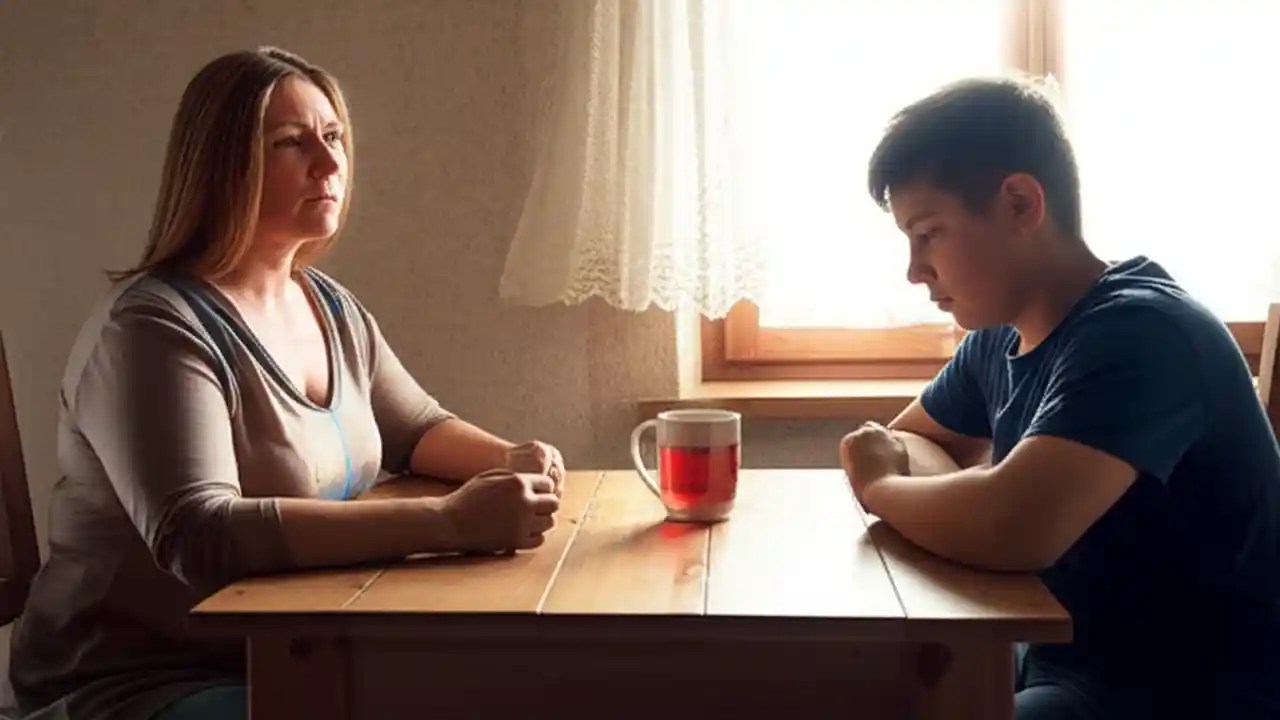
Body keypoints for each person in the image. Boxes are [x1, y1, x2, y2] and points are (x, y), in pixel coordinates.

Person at [8, 47, 566, 720]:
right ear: (223, 165)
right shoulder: (150, 329)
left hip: (296, 648)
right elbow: (200, 534)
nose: (329, 164)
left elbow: (415, 430)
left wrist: (511, 461)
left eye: (333, 136)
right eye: (292, 143)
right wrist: (449, 522)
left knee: (512, 684)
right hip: (143, 681)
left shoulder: (328, 305)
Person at [839, 77, 1280, 718]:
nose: (914, 270)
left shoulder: (1142, 333)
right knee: (853, 681)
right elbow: (914, 441)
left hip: (1186, 689)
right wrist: (971, 497)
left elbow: (1015, 528)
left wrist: (883, 487)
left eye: (929, 233)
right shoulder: (1001, 335)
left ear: (1020, 204)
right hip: (1064, 656)